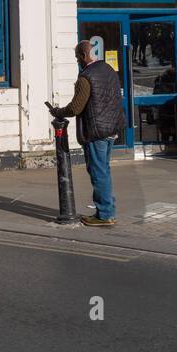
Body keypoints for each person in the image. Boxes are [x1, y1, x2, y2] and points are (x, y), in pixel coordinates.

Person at [46, 40, 123, 227]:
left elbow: (76, 107)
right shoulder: (109, 70)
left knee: (98, 173)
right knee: (104, 170)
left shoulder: (86, 77)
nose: (77, 62)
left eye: (76, 58)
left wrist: (58, 112)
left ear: (82, 56)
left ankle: (105, 215)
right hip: (111, 129)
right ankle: (107, 210)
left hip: (96, 132)